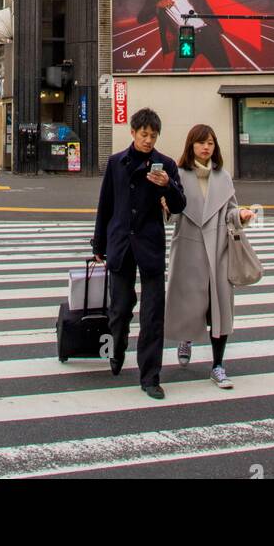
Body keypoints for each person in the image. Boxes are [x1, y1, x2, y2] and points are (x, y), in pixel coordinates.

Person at [92, 107, 186, 400]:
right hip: (120, 242)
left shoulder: (165, 165)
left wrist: (167, 186)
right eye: (143, 135)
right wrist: (99, 244)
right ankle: (116, 348)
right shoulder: (116, 162)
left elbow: (180, 204)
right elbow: (105, 205)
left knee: (153, 314)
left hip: (149, 244)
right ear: (132, 133)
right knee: (119, 308)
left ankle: (150, 376)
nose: (148, 140)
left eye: (153, 136)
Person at [165, 125, 255, 389]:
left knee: (220, 309)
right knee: (189, 302)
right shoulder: (178, 175)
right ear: (190, 145)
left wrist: (241, 216)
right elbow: (170, 213)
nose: (206, 147)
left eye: (211, 143)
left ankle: (217, 365)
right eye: (201, 143)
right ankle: (186, 337)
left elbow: (230, 210)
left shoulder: (223, 177)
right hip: (189, 248)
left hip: (218, 250)